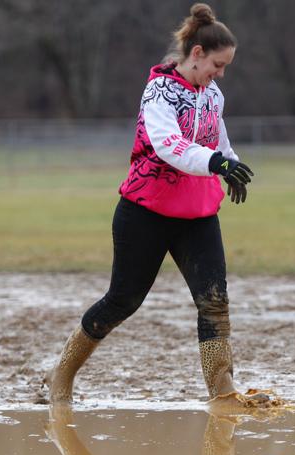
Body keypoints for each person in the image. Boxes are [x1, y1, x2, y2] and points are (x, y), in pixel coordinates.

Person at [46, 3, 263, 406]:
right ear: (196, 53)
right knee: (123, 301)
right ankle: (62, 374)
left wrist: (230, 165)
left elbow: (217, 139)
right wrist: (215, 163)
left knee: (214, 301)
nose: (221, 73)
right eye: (218, 64)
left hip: (197, 214)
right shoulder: (159, 91)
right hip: (145, 212)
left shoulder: (212, 94)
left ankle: (223, 392)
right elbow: (169, 145)